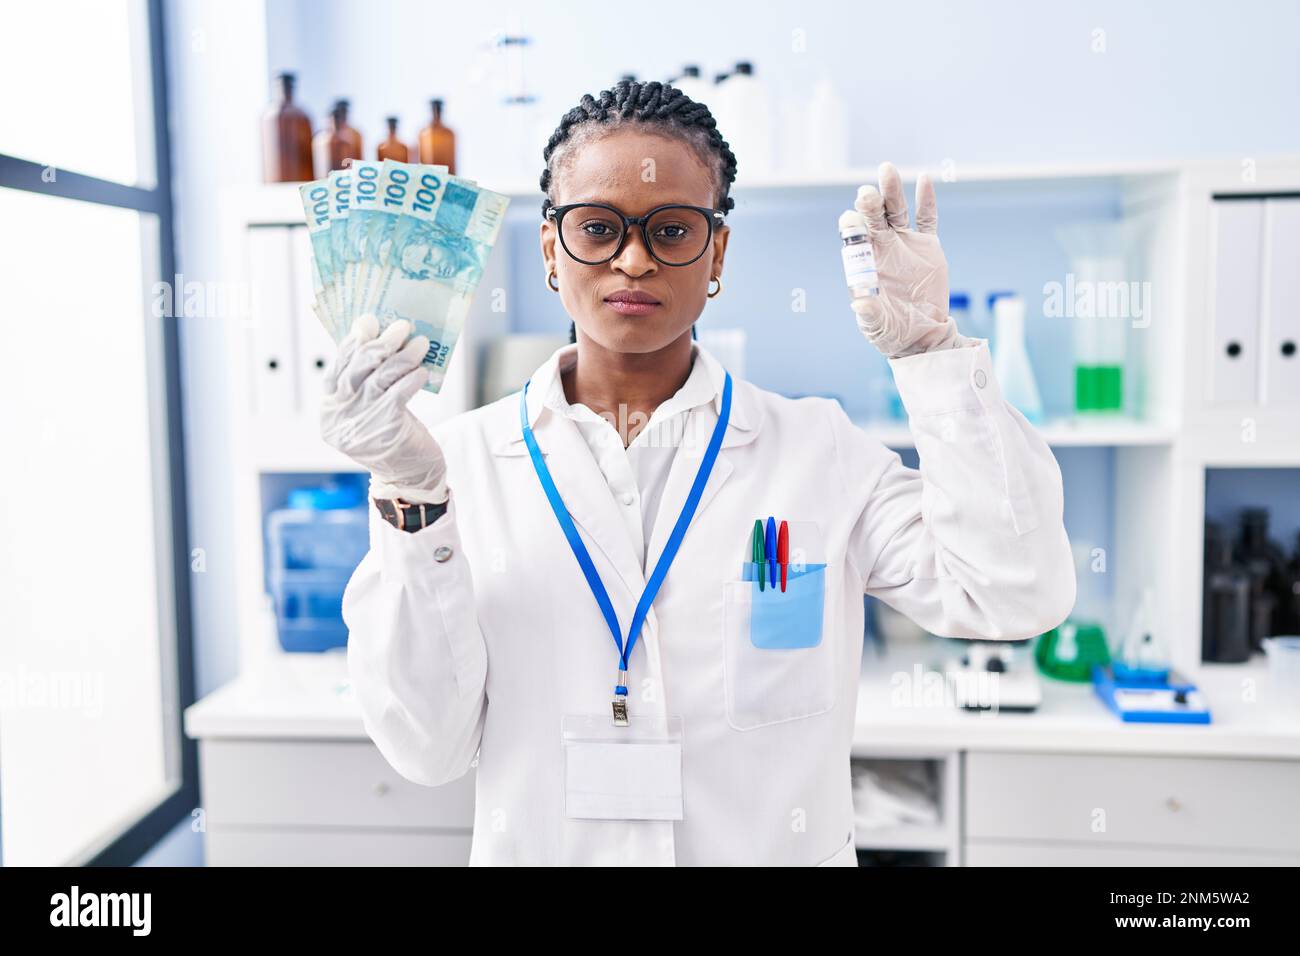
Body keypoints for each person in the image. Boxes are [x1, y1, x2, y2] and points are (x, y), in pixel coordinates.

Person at [320, 79, 1074, 866]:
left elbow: (1014, 592)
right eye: (598, 228)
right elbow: (426, 748)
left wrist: (930, 354)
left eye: (672, 230)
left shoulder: (820, 450)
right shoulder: (456, 469)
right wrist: (412, 503)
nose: (635, 259)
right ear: (551, 249)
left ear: (716, 252)